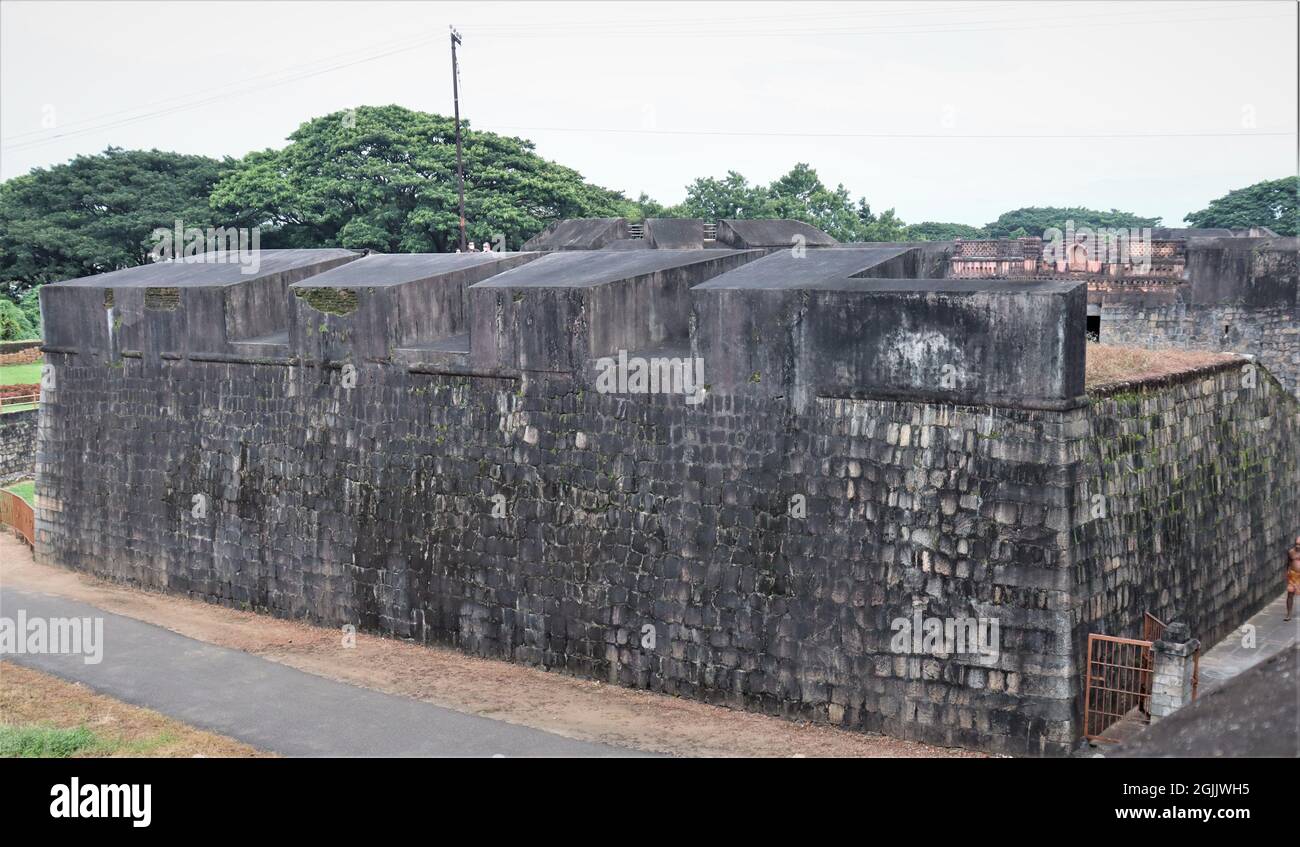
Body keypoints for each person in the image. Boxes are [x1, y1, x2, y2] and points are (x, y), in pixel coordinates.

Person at [1287, 535, 1300, 622]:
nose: (1298, 546)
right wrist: (1287, 571)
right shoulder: (1291, 552)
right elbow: (1288, 562)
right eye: (1296, 544)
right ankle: (1289, 613)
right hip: (1293, 576)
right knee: (1290, 594)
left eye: (1299, 545)